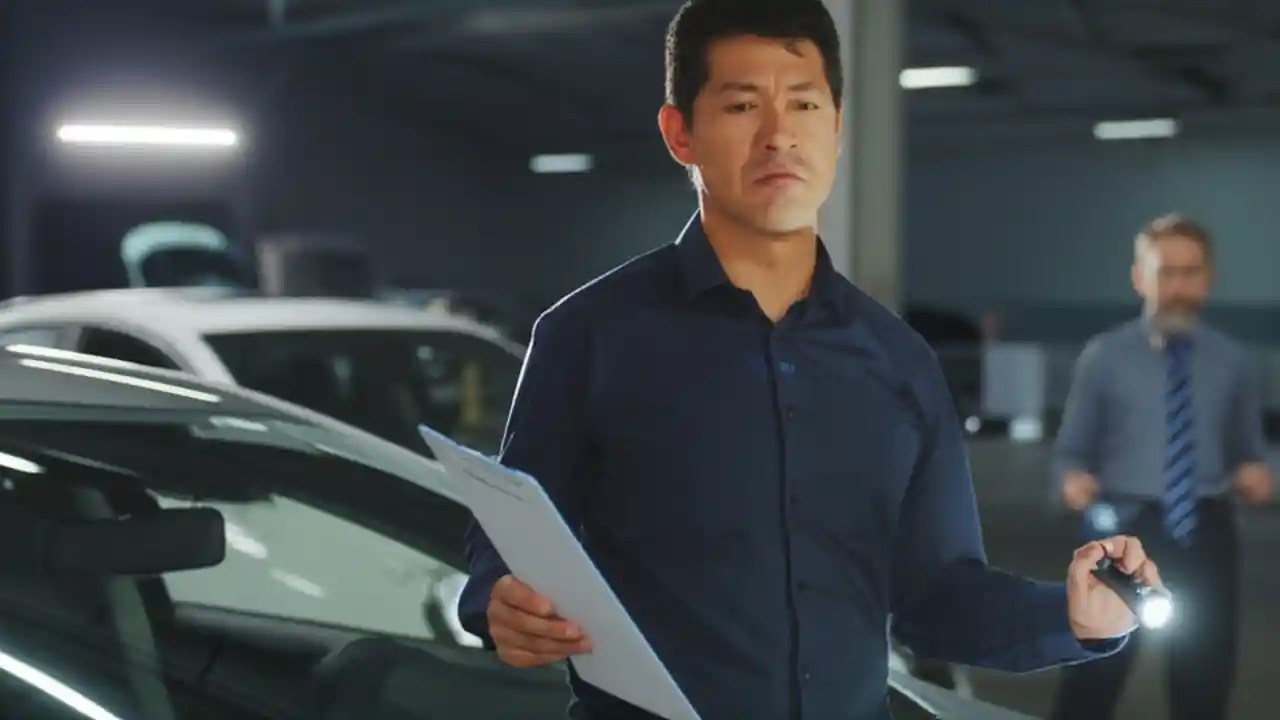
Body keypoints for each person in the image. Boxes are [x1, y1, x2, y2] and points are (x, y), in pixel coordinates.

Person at [461, 1, 1159, 718]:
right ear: (681, 134)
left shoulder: (899, 363)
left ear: (836, 127)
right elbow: (510, 538)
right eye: (740, 105)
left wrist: (1075, 618)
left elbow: (937, 598)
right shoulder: (590, 335)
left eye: (803, 104)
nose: (778, 136)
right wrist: (497, 602)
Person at [1050, 214, 1273, 720]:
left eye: (1190, 272)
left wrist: (1257, 474)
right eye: (1165, 271)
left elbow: (1249, 448)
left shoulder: (1233, 362)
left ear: (1208, 278)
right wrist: (1070, 481)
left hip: (1207, 530)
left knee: (1205, 675)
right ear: (1139, 276)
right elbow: (1071, 450)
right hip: (1125, 531)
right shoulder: (1104, 357)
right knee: (1093, 675)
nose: (1177, 285)